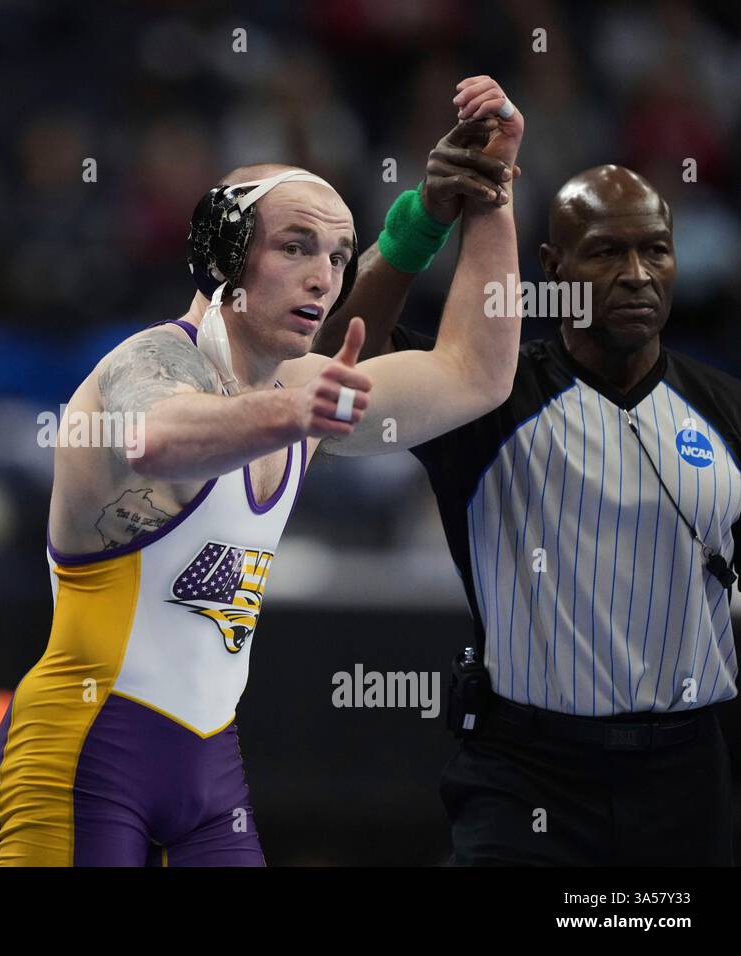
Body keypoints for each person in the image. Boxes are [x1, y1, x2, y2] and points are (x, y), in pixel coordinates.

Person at [0, 77, 525, 865]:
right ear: (224, 254)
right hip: (81, 752)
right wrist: (292, 414)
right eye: (296, 247)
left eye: (338, 257)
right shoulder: (150, 359)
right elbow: (155, 437)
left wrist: (494, 194)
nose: (323, 279)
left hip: (210, 769)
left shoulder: (296, 391)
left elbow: (478, 375)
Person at [313, 146, 740, 861]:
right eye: (606, 253)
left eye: (655, 251)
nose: (636, 276)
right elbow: (334, 369)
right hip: (528, 779)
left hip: (689, 780)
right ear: (552, 266)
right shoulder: (485, 397)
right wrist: (421, 223)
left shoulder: (725, 411)